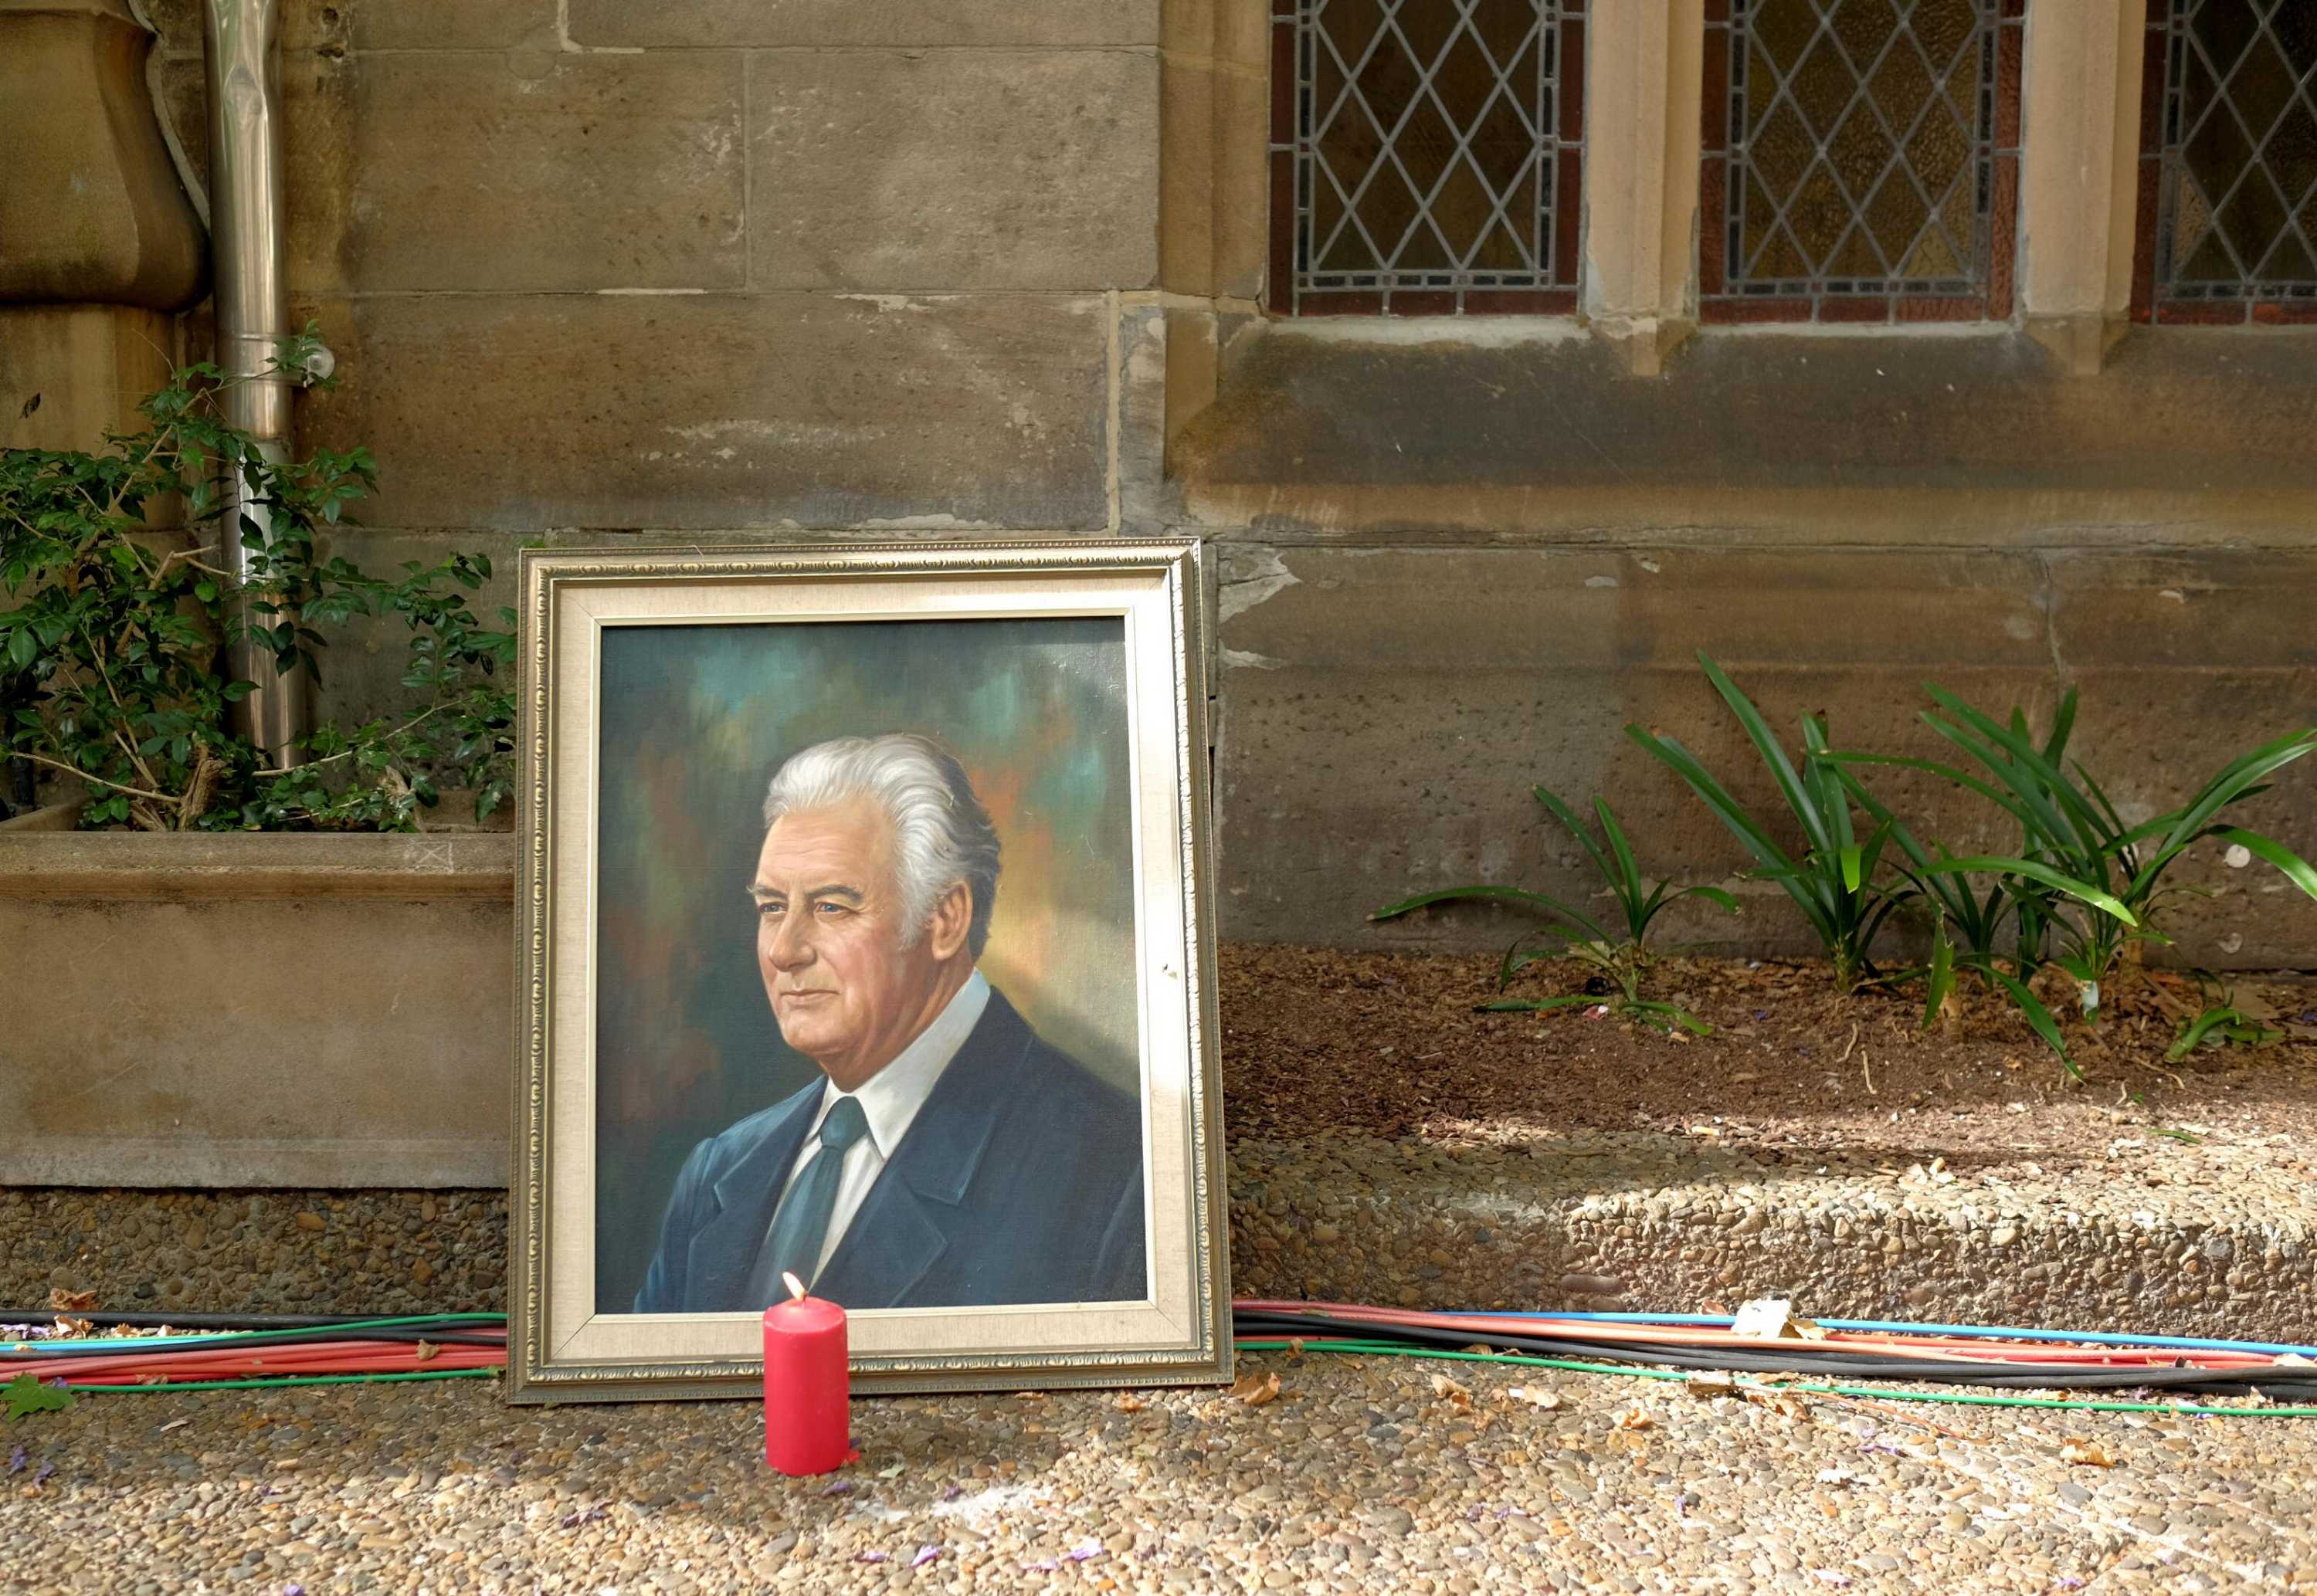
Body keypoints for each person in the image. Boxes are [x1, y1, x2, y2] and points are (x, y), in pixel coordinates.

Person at [633, 733, 1147, 1313]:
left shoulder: (1118, 1172)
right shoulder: (719, 1171)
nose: (783, 950)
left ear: (946, 919)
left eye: (831, 906)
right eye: (772, 906)